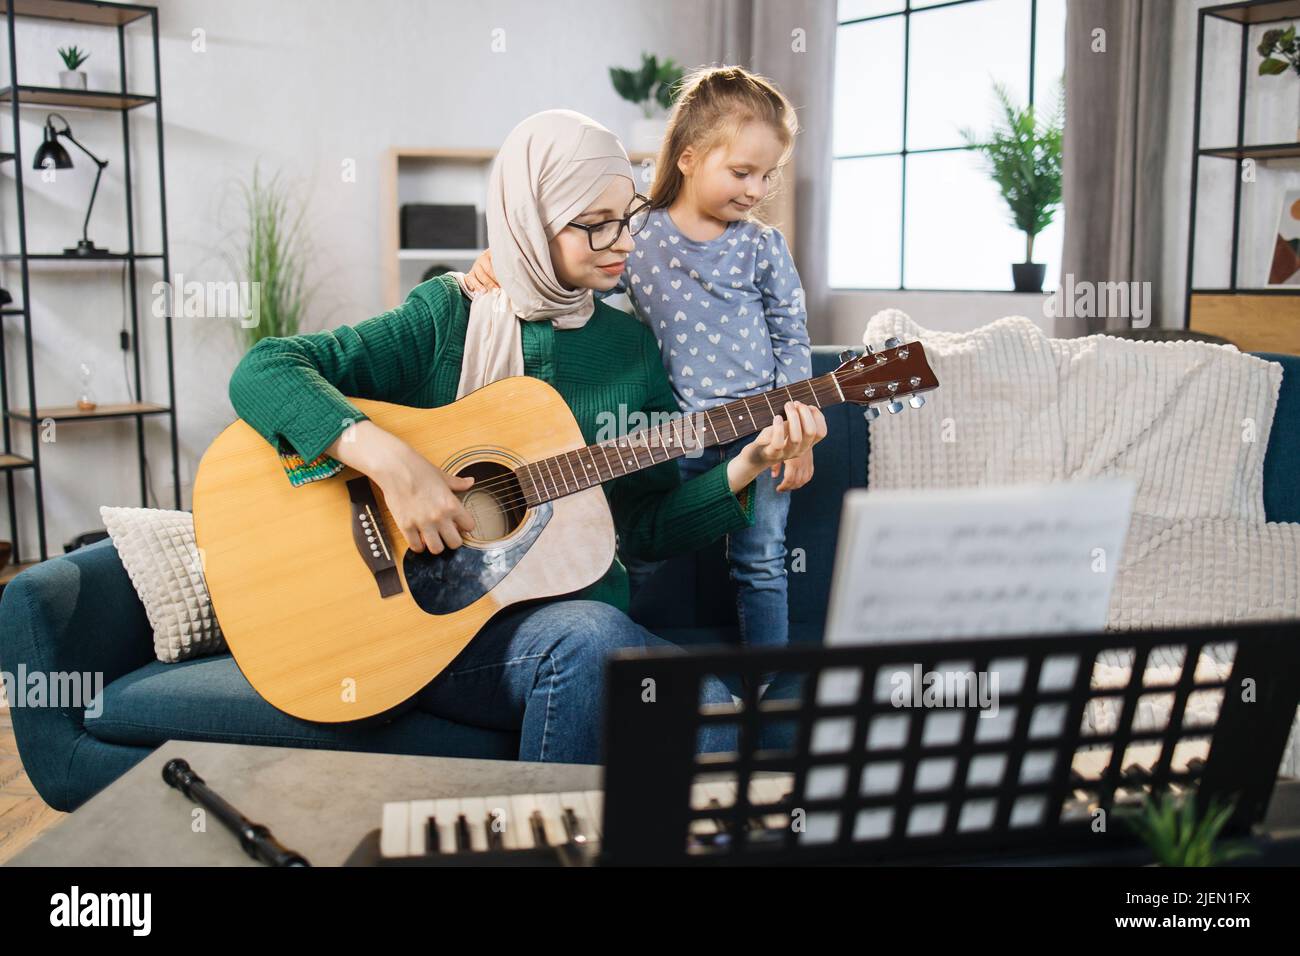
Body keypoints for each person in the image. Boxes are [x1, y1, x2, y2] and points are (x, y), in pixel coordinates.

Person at [227, 109, 826, 764]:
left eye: (625, 216)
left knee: (716, 718)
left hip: (559, 624)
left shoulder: (630, 350)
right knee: (591, 642)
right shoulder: (447, 315)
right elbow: (266, 368)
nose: (622, 243)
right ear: (527, 221)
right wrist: (393, 464)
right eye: (592, 224)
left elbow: (644, 527)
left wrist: (747, 464)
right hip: (431, 635)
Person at [467, 68, 812, 697]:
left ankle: (763, 685)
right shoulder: (637, 233)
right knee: (639, 549)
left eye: (769, 174)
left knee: (760, 561)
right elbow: (575, 288)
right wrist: (504, 260)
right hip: (666, 433)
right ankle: (627, 667)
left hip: (759, 430)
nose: (758, 188)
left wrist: (798, 431)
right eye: (742, 172)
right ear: (688, 157)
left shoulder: (762, 246)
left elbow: (792, 337)